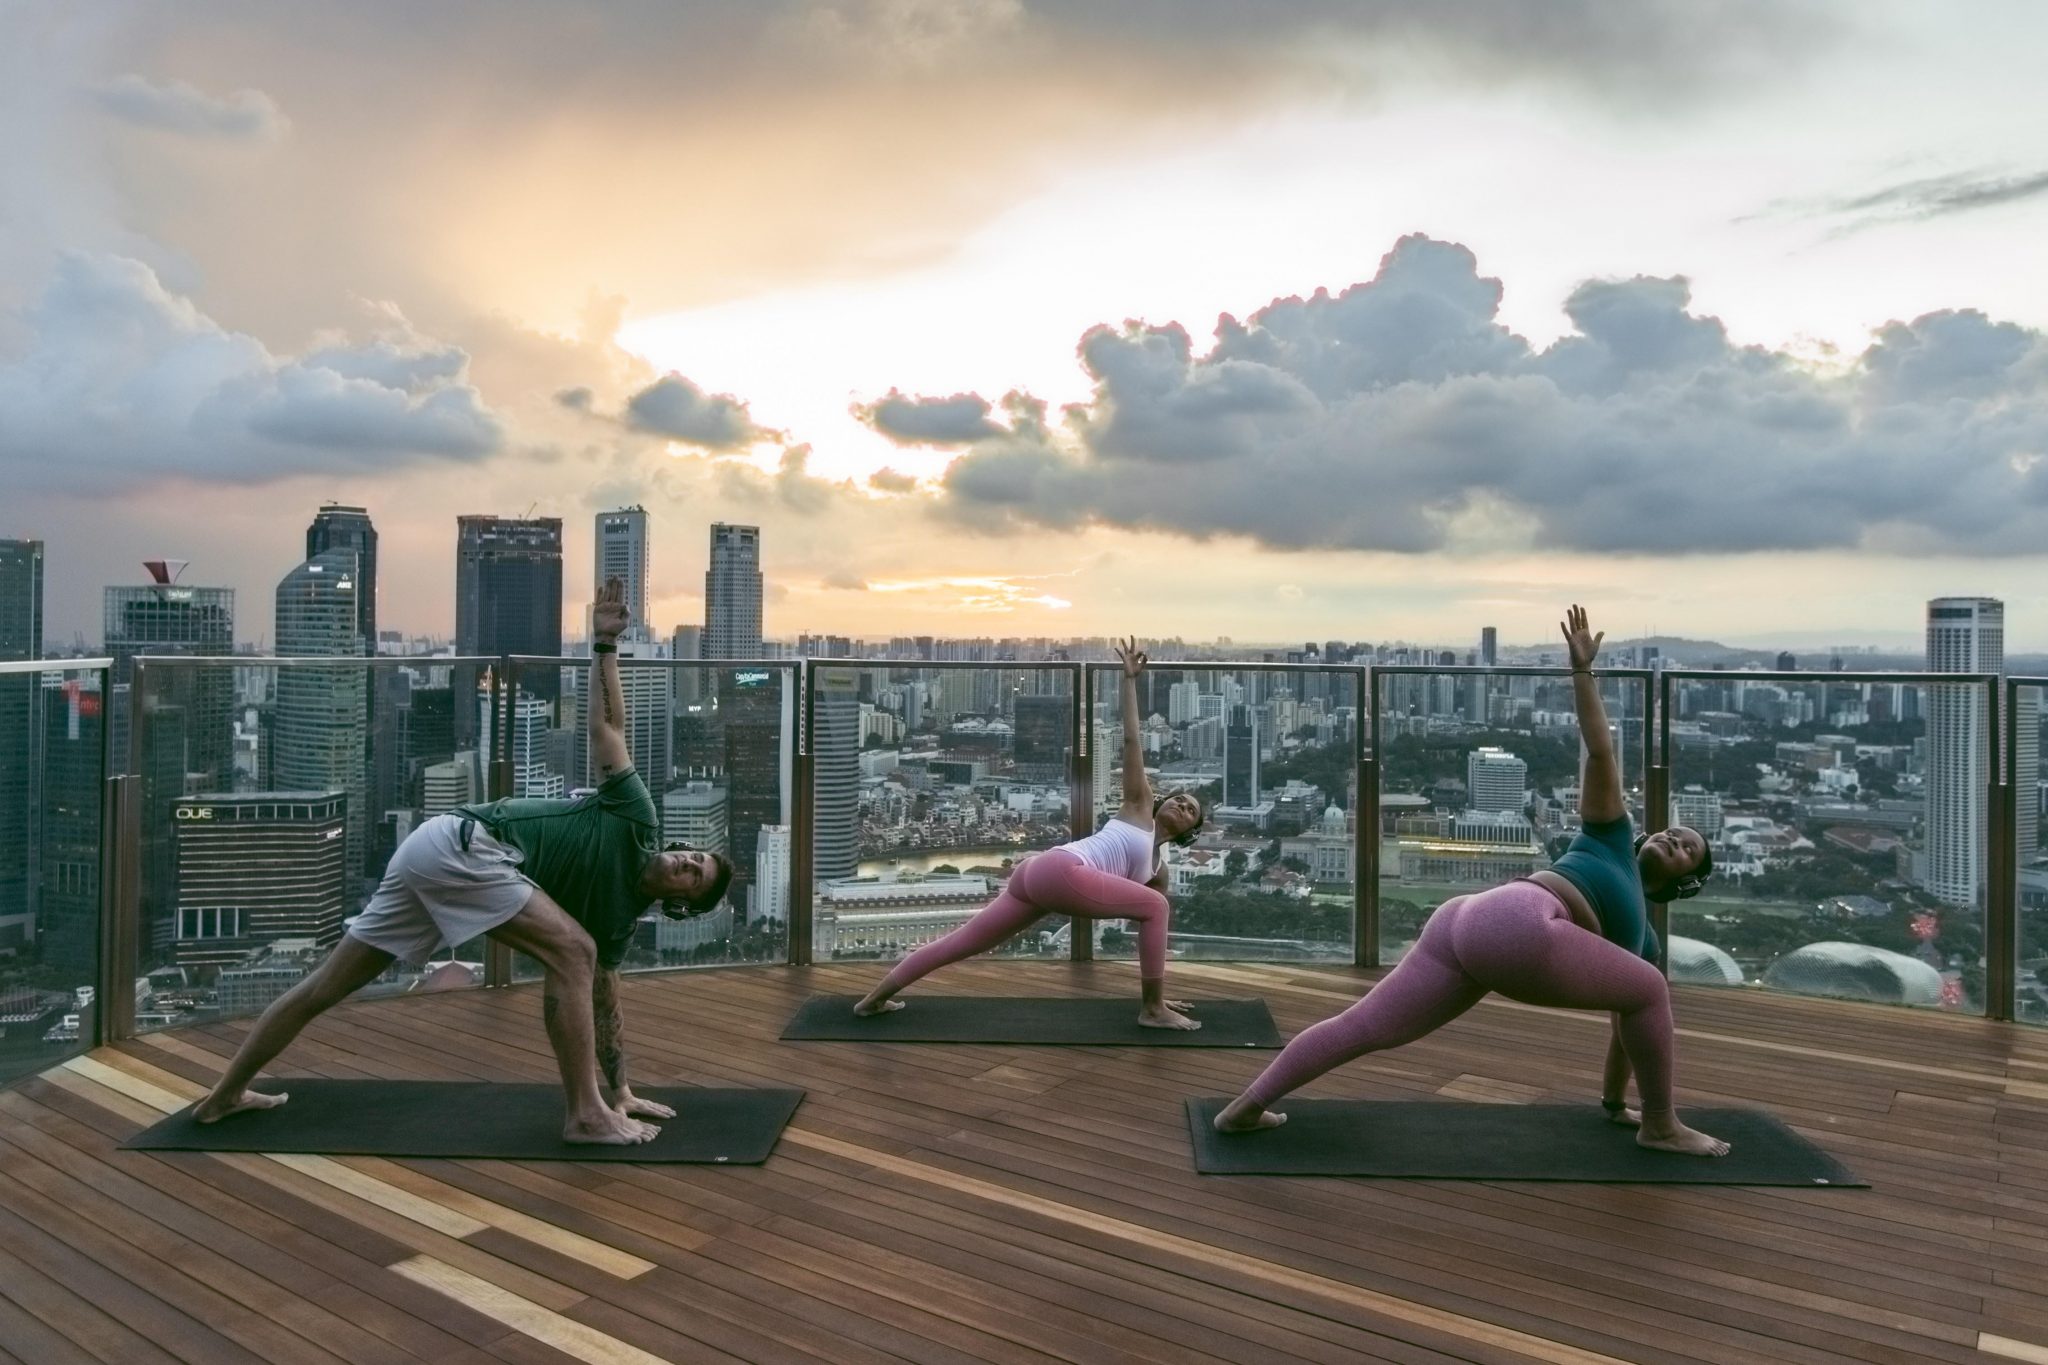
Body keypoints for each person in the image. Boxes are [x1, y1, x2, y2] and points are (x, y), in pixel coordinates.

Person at [192, 576, 733, 1144]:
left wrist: (622, 1086)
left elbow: (602, 998)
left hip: (439, 855)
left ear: (680, 905)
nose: (687, 865)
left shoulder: (619, 921)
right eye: (692, 856)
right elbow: (608, 728)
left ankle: (223, 1095)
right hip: (464, 845)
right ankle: (584, 1116)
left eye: (695, 878)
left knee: (327, 987)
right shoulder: (636, 817)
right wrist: (603, 643)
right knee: (574, 951)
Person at [1215, 605, 1728, 1156]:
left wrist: (1610, 1104)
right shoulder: (1609, 836)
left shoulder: (1644, 945)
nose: (1673, 840)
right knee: (1650, 989)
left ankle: (1243, 1111)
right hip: (1518, 920)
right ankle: (1662, 1126)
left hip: (1470, 922)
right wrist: (1582, 673)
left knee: (1371, 1025)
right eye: (1672, 832)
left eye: (1687, 848)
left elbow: (1629, 1029)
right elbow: (1601, 752)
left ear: (1685, 884)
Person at [854, 636, 1205, 1029]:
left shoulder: (1159, 871)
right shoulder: (1139, 806)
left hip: (1040, 877)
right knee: (1156, 907)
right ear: (1161, 801)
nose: (1182, 805)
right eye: (1178, 799)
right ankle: (1152, 1011)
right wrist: (1128, 681)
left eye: (1191, 810)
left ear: (1190, 830)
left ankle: (873, 1001)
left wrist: (1158, 985)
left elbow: (1149, 929)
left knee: (967, 942)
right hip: (1059, 869)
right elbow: (1131, 741)